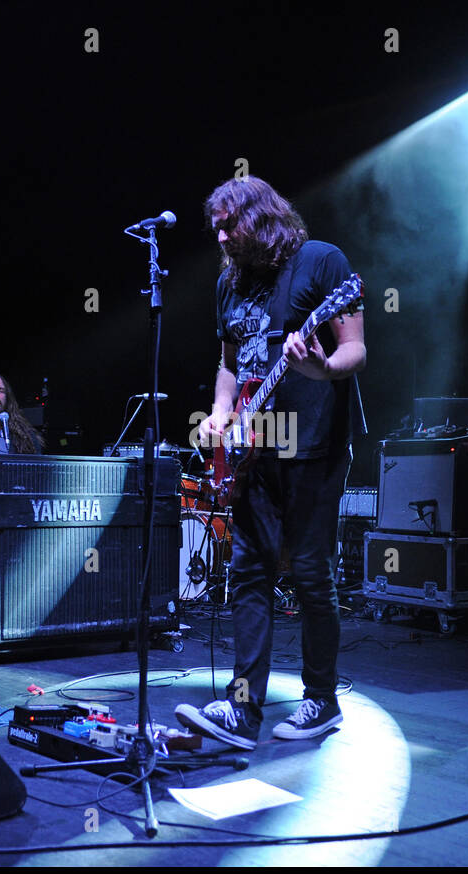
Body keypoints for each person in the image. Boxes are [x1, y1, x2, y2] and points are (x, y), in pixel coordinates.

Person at [175, 176, 366, 750]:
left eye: (230, 223)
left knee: (310, 572)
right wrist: (218, 411)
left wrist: (320, 369)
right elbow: (228, 361)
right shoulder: (229, 283)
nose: (221, 234)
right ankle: (242, 709)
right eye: (217, 227)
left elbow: (354, 349)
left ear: (261, 217)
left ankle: (321, 699)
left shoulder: (322, 263)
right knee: (248, 573)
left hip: (314, 441)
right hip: (254, 447)